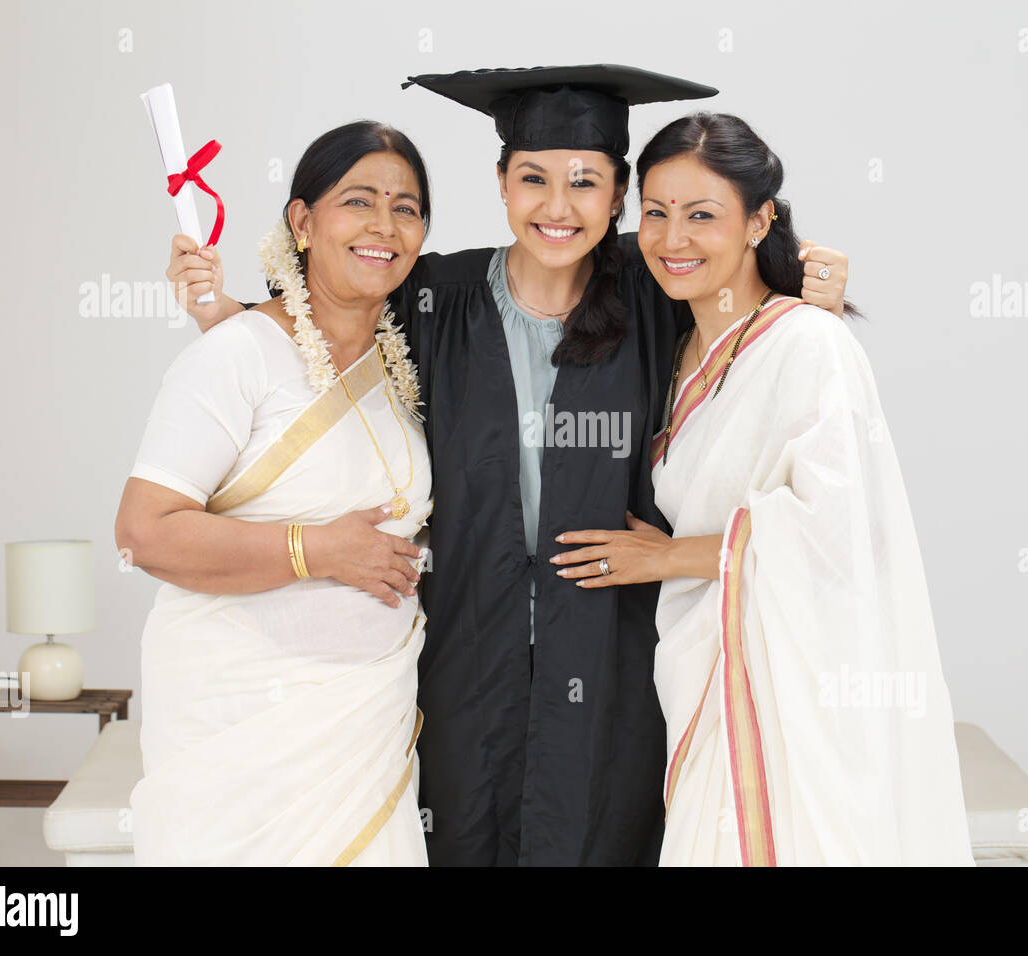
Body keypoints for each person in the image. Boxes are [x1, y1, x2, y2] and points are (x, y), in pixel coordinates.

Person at [166, 66, 851, 865]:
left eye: (585, 183)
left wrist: (809, 289)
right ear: (499, 183)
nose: (557, 208)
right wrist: (221, 310)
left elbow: (750, 318)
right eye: (533, 179)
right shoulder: (431, 297)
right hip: (462, 650)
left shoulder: (660, 286)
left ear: (619, 195)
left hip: (612, 653)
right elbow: (320, 335)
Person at [552, 112, 974, 865]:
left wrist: (667, 559)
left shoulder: (809, 343)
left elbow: (838, 533)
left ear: (759, 221)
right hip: (702, 673)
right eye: (655, 212)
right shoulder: (673, 339)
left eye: (703, 215)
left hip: (791, 692)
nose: (673, 238)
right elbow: (551, 243)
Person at [117, 121, 434, 865]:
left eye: (406, 208)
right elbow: (144, 533)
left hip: (366, 736)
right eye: (358, 201)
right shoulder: (236, 355)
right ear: (302, 221)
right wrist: (315, 549)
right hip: (241, 735)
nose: (384, 226)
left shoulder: (404, 370)